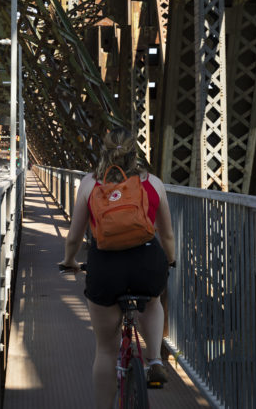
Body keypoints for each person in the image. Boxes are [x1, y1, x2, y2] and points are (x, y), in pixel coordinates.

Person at [59, 127, 175, 408]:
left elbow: (75, 237)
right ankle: (155, 359)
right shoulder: (153, 183)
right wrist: (169, 261)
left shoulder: (89, 184)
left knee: (106, 350)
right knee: (154, 298)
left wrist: (69, 261)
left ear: (104, 151)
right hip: (146, 262)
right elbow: (167, 235)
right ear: (135, 153)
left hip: (105, 268)